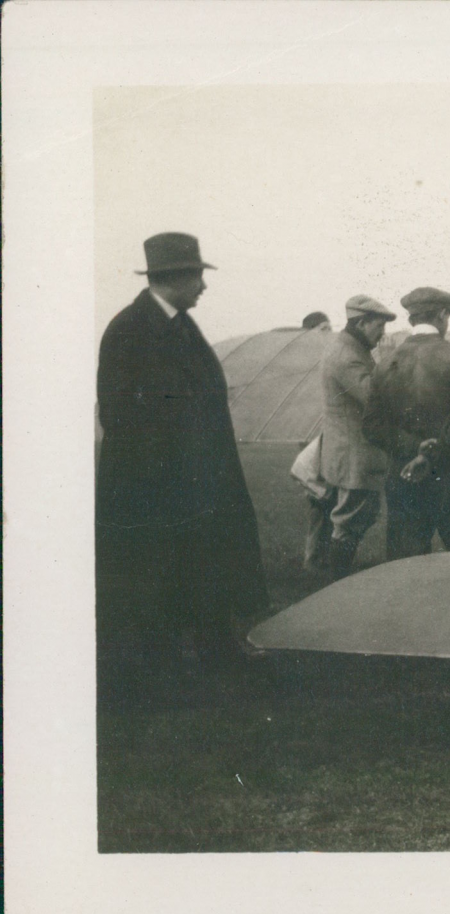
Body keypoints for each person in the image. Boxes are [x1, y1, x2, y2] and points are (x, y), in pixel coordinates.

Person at [96, 233, 268, 702]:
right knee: (158, 577)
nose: (203, 287)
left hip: (197, 480)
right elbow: (122, 416)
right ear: (173, 277)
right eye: (197, 276)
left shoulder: (180, 326)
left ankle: (216, 650)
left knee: (205, 566)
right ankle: (160, 670)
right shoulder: (130, 330)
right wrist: (170, 473)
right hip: (156, 485)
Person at [364, 286, 450, 560]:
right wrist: (433, 450)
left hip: (404, 472)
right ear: (443, 315)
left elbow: (372, 425)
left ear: (411, 318)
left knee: (405, 563)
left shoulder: (385, 363)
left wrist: (414, 449)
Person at [303, 295, 397, 578]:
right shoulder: (347, 355)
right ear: (362, 322)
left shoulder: (350, 347)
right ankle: (336, 581)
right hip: (355, 453)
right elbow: (374, 398)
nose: (382, 333)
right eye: (378, 326)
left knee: (353, 516)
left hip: (349, 450)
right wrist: (389, 359)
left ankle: (327, 572)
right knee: (352, 518)